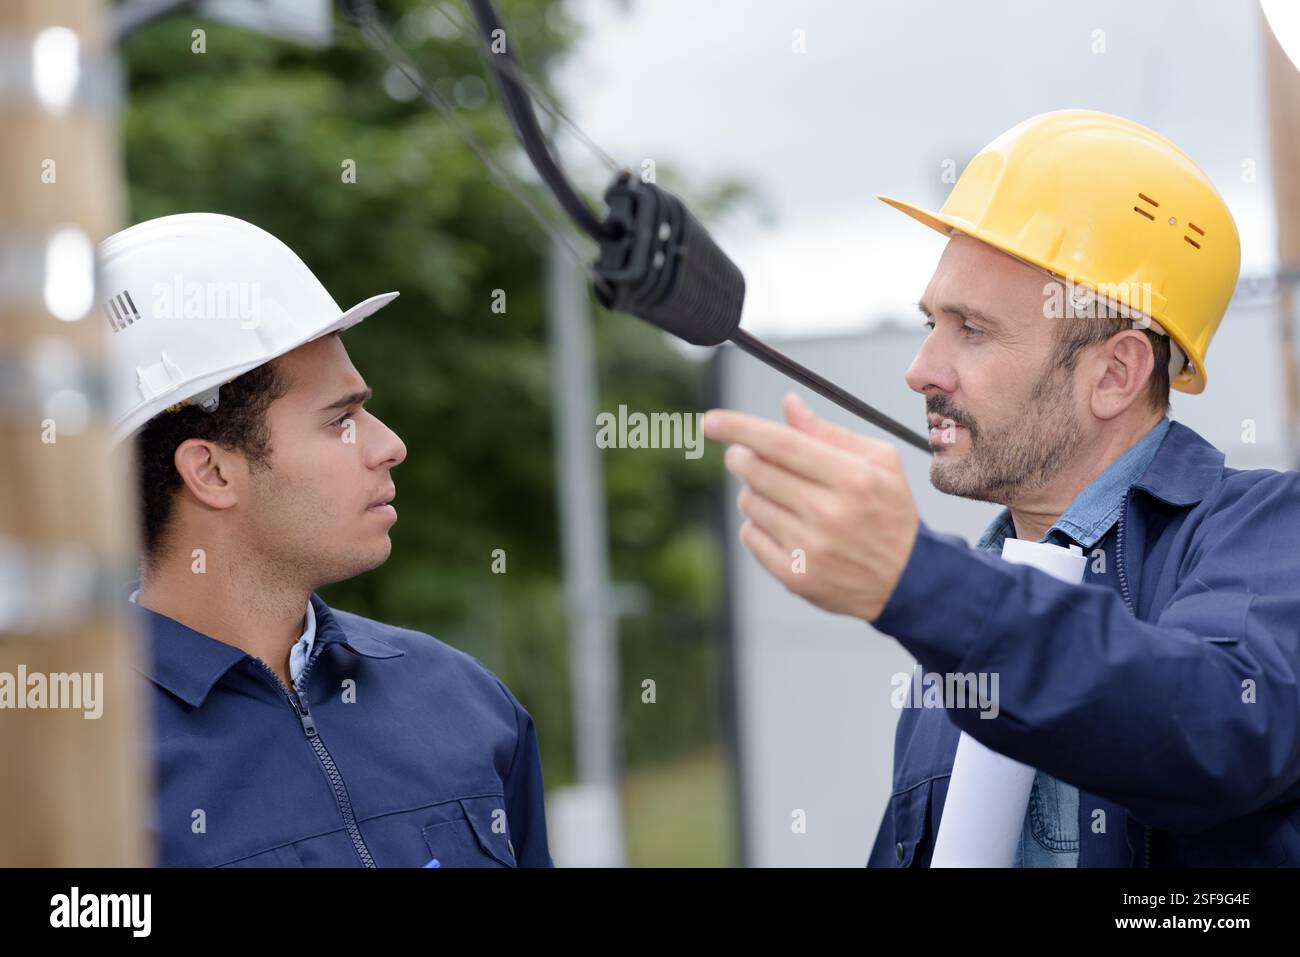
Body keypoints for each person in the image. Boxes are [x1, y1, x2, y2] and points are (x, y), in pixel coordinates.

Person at [702, 110, 1300, 866]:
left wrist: (918, 580)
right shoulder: (960, 634)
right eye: (931, 322)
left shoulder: (1268, 530)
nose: (921, 368)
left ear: (1115, 374)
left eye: (972, 329)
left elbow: (1212, 732)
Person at [104, 212, 552, 867]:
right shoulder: (72, 776)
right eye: (341, 419)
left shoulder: (466, 703)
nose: (390, 446)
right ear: (211, 470)